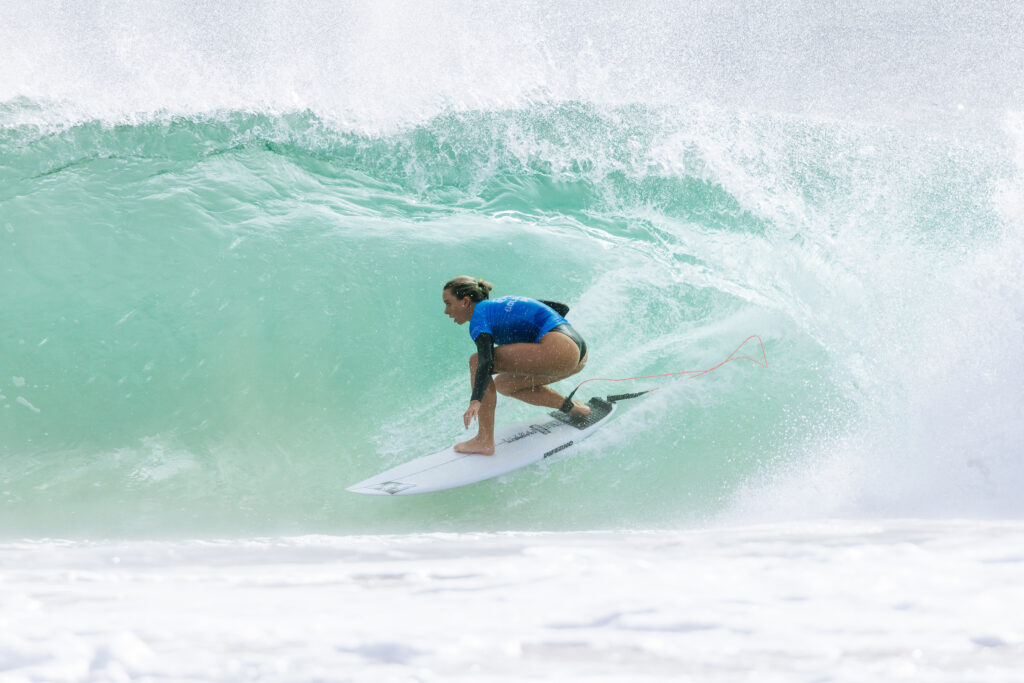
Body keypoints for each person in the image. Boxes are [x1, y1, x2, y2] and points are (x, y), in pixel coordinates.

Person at [443, 276, 590, 456]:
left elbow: (485, 361)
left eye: (448, 303)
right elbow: (561, 308)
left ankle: (484, 440)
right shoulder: (499, 305)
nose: (446, 311)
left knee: (475, 361)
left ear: (465, 301)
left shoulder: (479, 316)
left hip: (558, 349)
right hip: (577, 352)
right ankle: (574, 409)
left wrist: (476, 400)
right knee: (505, 384)